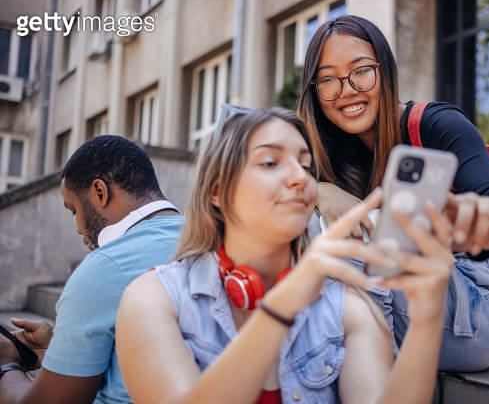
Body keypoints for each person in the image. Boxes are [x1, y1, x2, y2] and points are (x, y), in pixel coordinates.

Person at [116, 107, 455, 403]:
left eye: (307, 166)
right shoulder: (152, 299)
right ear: (217, 191)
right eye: (270, 162)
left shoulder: (348, 307)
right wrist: (280, 308)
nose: (299, 178)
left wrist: (427, 320)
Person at [297, 15, 489, 371]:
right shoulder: (321, 152)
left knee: (352, 231)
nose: (347, 90)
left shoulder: (435, 125)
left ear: (385, 71)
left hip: (480, 295)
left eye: (361, 71)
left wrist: (470, 216)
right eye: (328, 79)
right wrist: (321, 190)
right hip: (399, 291)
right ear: (314, 92)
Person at [0, 135, 184, 403]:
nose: (78, 228)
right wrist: (61, 349)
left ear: (100, 192)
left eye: (73, 209)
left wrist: (6, 364)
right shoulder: (215, 240)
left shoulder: (104, 269)